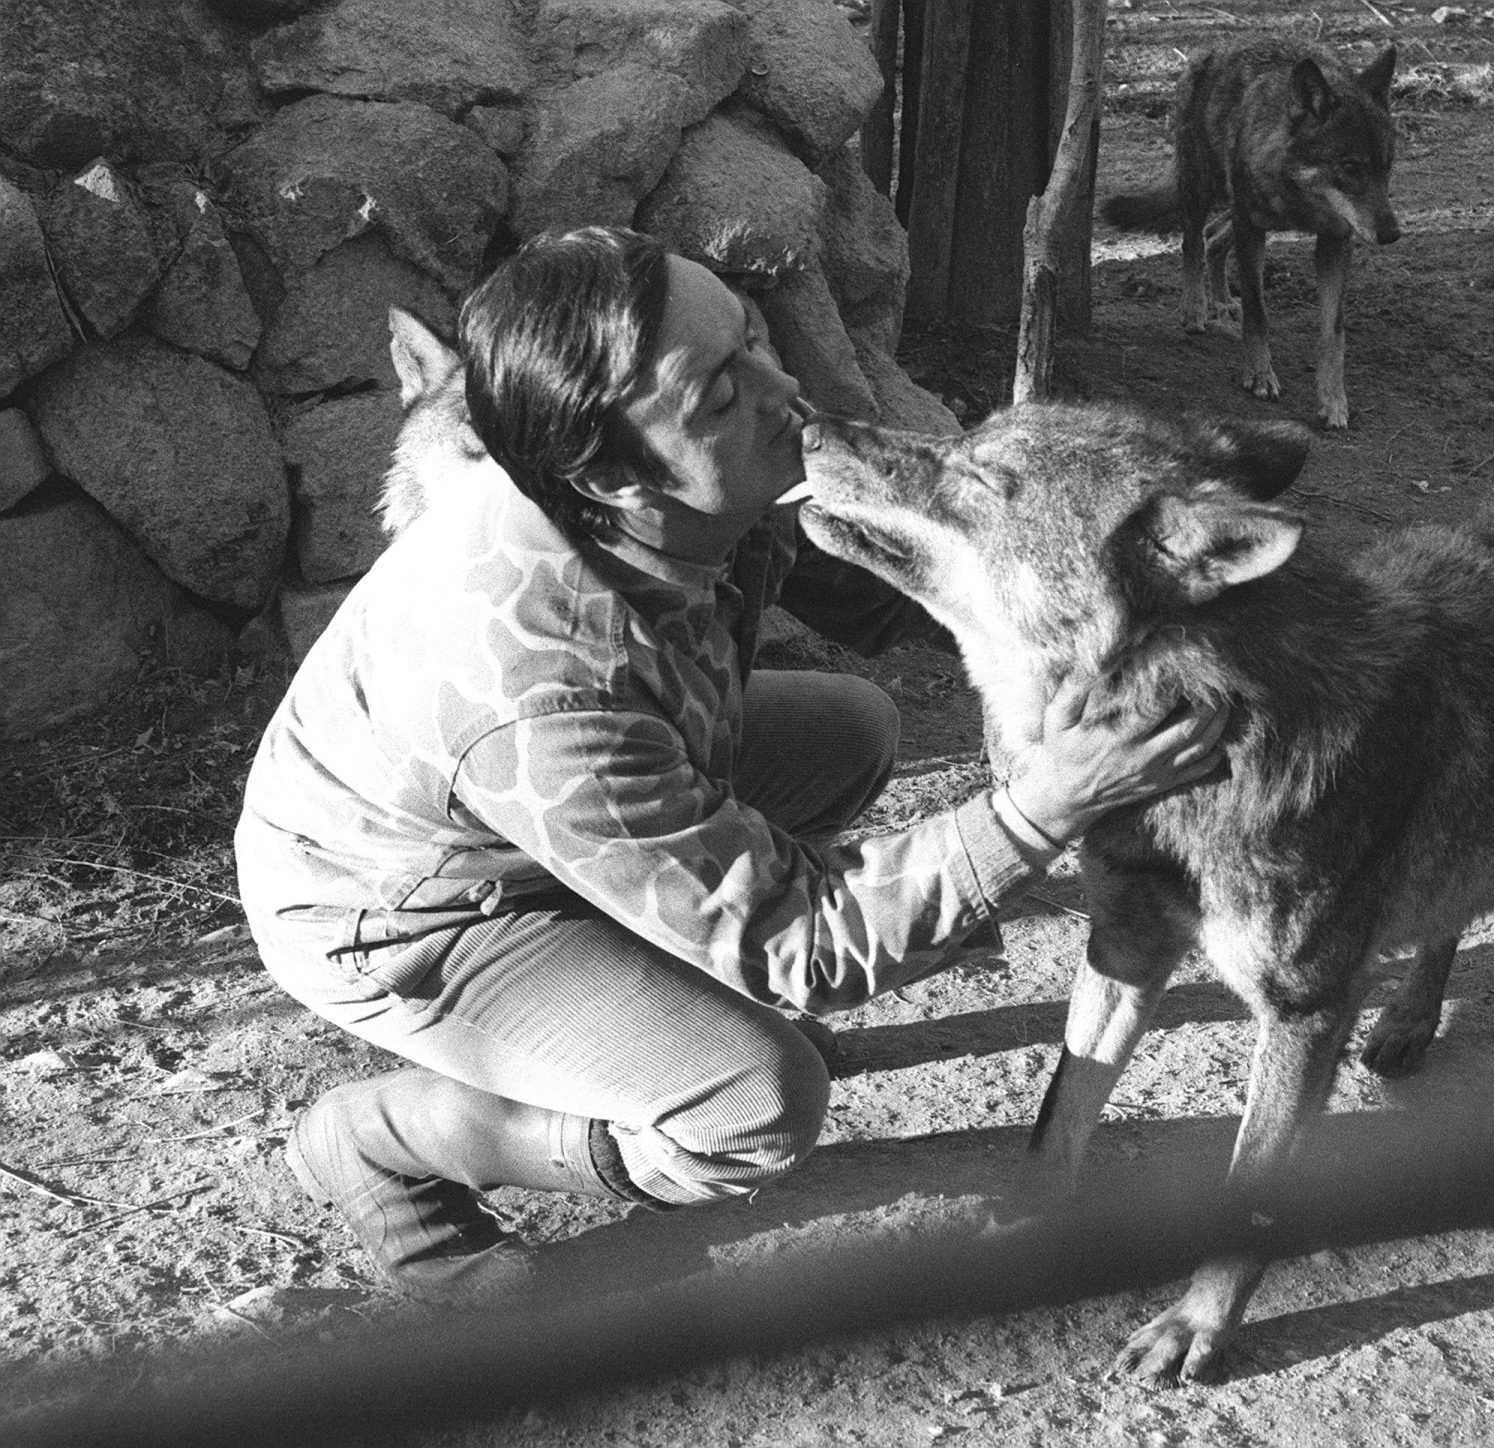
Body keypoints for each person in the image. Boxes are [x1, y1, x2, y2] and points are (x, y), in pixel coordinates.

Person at [234, 226, 1228, 1305]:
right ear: (607, 473)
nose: (783, 391)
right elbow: (803, 939)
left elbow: (913, 583)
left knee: (851, 727)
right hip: (404, 911)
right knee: (755, 1103)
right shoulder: (546, 691)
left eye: (753, 339)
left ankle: (641, 977)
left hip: (559, 804)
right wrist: (1034, 812)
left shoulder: (689, 478)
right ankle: (390, 1142)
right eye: (719, 392)